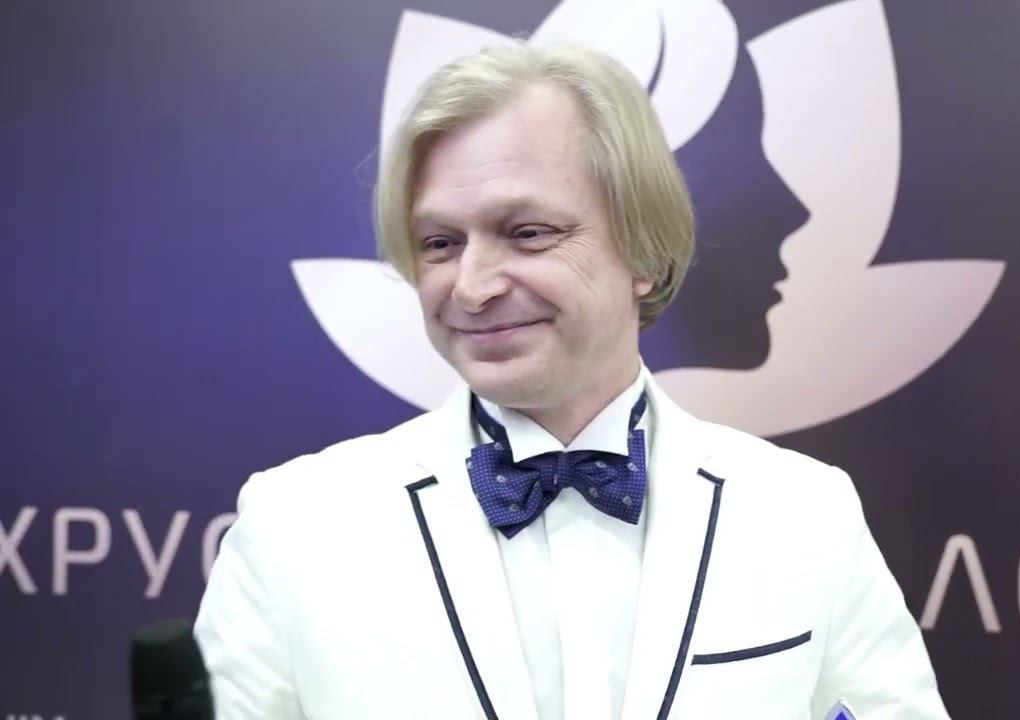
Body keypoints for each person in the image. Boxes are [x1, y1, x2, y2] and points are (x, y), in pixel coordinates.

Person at [194, 43, 950, 720]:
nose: (473, 287)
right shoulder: (294, 529)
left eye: (528, 233)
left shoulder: (806, 516)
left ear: (643, 252)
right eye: (440, 243)